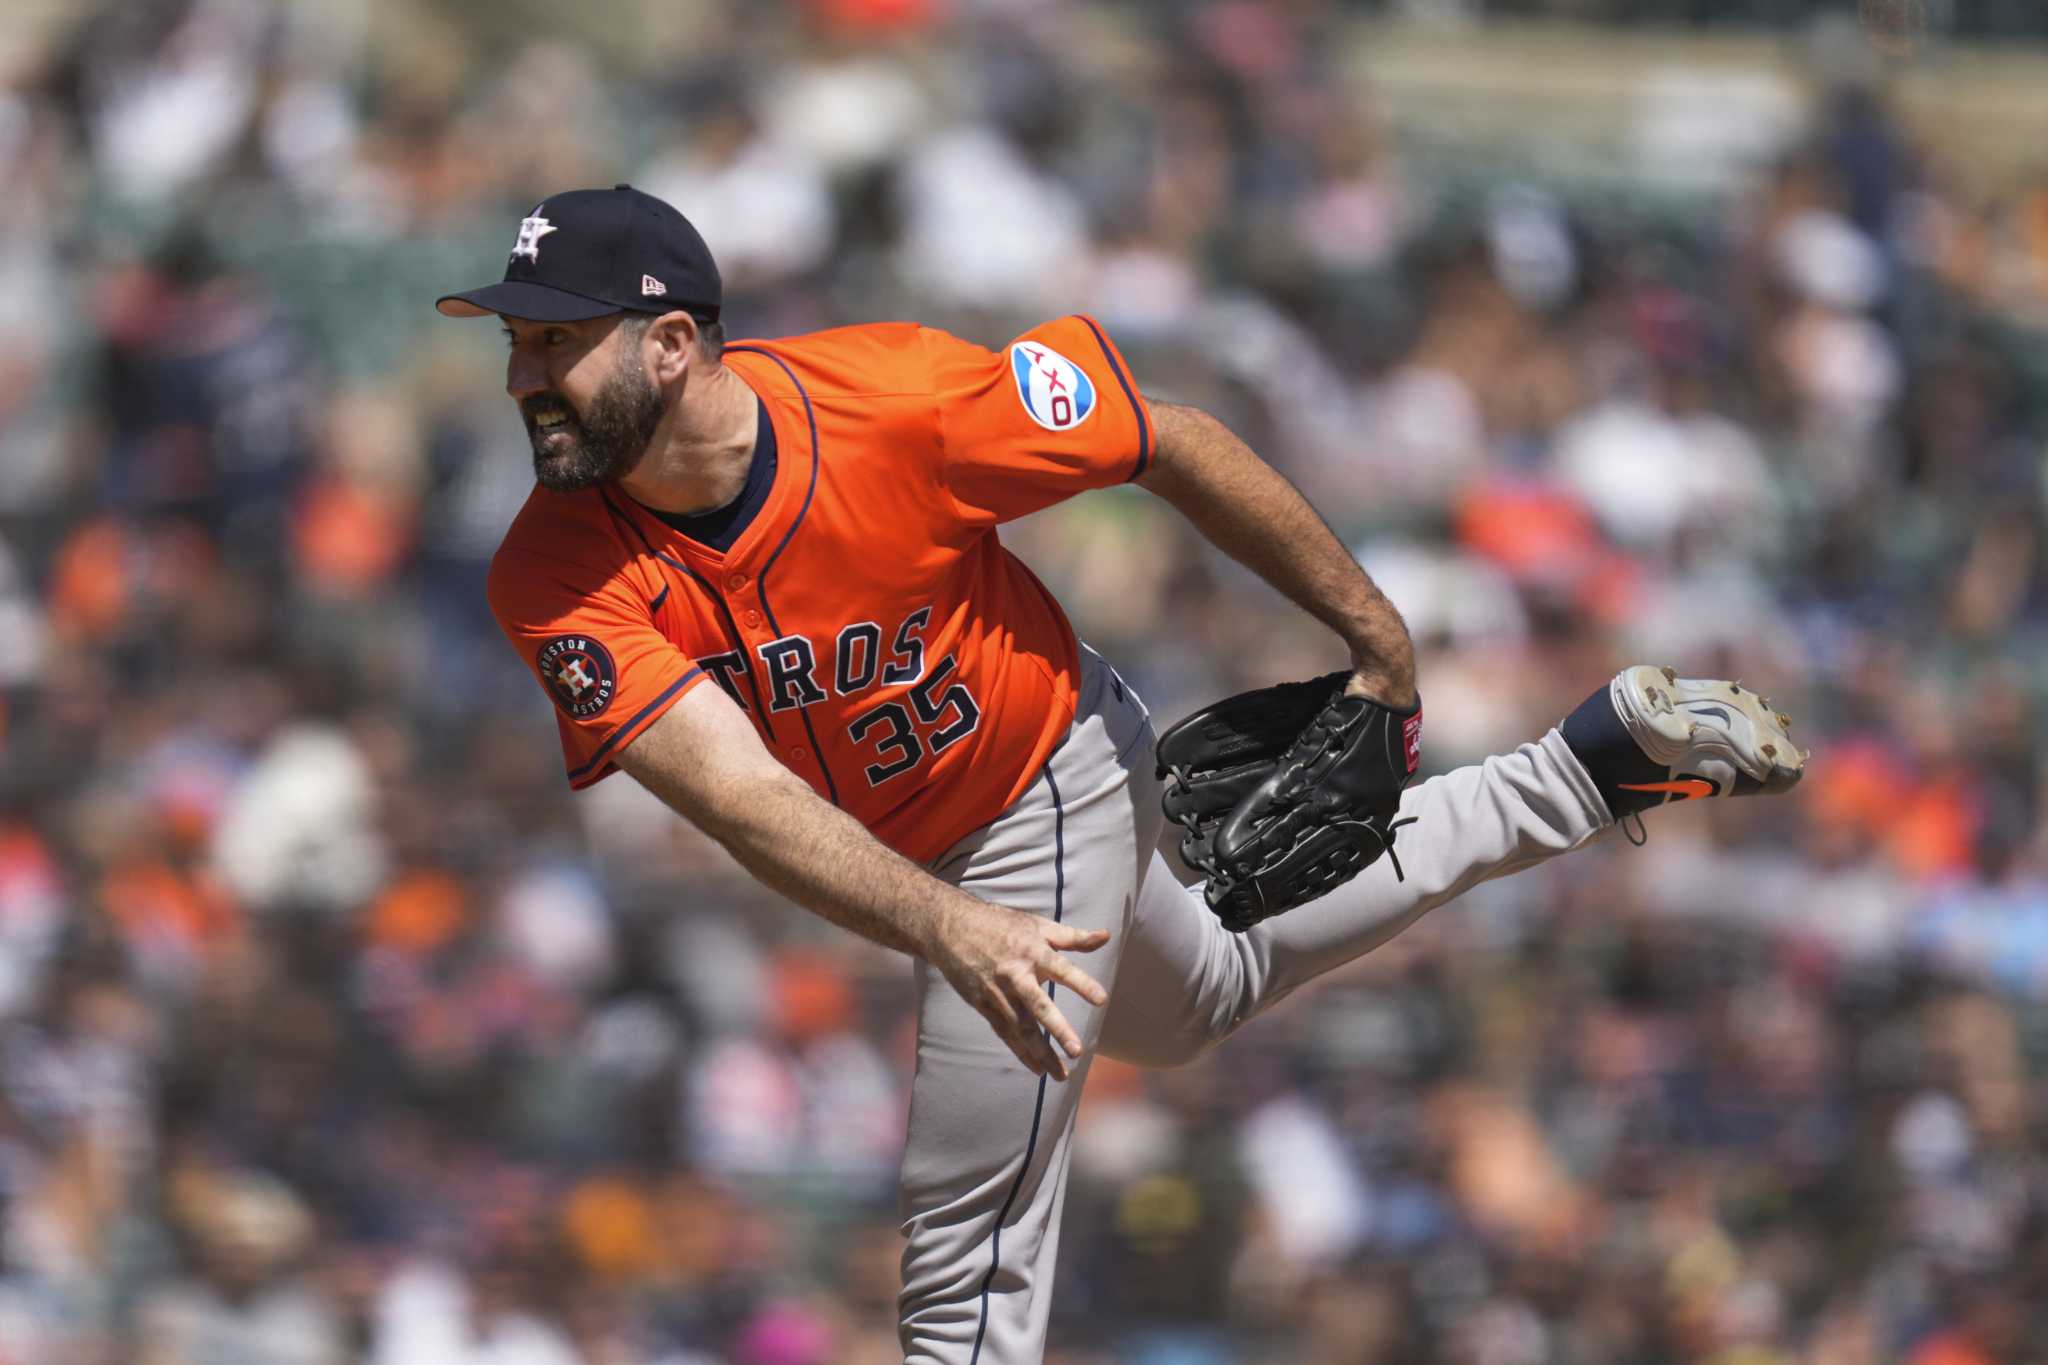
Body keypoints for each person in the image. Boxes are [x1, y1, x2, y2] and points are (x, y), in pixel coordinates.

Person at [436, 184, 1805, 1364]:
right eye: (516, 339)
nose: (520, 378)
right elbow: (737, 793)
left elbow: (1172, 440)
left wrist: (1373, 631)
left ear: (674, 343)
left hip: (1048, 771)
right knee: (1200, 994)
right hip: (938, 853)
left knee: (968, 1247)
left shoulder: (900, 403)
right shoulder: (551, 571)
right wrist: (945, 920)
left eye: (556, 341)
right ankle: (1592, 767)